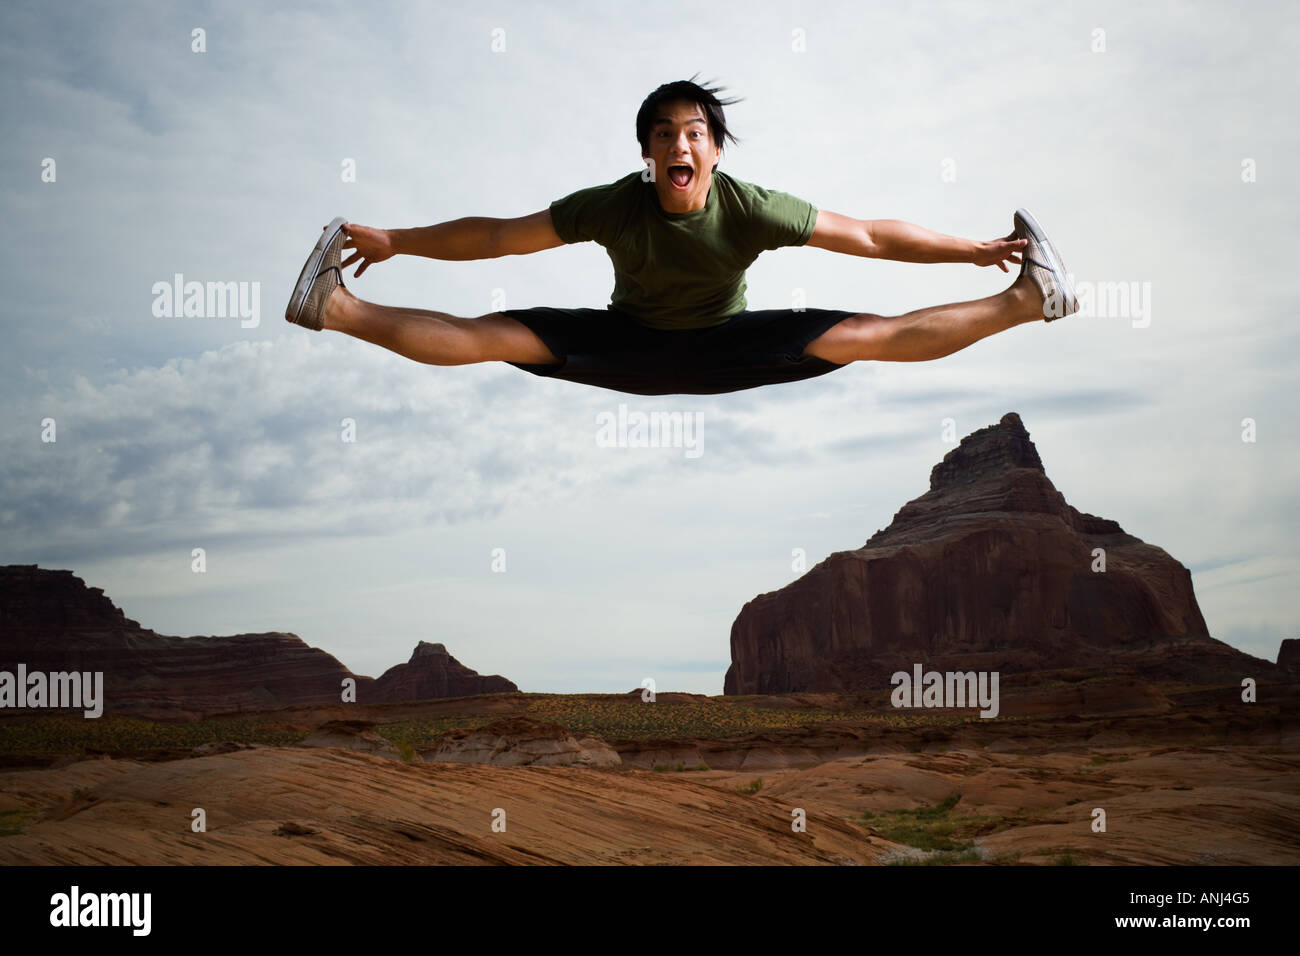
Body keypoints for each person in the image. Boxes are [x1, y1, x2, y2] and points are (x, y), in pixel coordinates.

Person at [285, 77, 1079, 396]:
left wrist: (973, 249)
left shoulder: (751, 206)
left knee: (869, 334)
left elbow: (869, 236)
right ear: (647, 153)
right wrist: (393, 238)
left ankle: (1025, 297)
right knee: (494, 336)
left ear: (715, 151)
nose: (679, 147)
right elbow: (496, 237)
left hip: (727, 343)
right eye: (663, 135)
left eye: (694, 133)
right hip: (626, 343)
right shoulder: (610, 204)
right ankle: (335, 308)